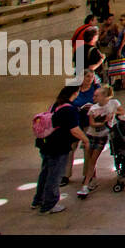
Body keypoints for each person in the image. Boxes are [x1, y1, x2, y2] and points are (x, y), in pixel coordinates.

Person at [33, 85, 87, 214]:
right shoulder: (69, 110)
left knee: (45, 173)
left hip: (45, 144)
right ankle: (49, 205)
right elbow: (74, 130)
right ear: (74, 94)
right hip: (58, 146)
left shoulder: (55, 105)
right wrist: (86, 140)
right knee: (55, 175)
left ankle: (38, 200)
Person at [76, 84, 121, 198]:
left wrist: (113, 114)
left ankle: (85, 185)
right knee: (89, 158)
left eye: (96, 96)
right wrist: (103, 122)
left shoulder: (113, 103)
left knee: (92, 160)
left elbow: (122, 111)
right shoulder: (93, 108)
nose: (94, 98)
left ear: (104, 96)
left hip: (102, 137)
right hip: (91, 135)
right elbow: (92, 124)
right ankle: (92, 179)